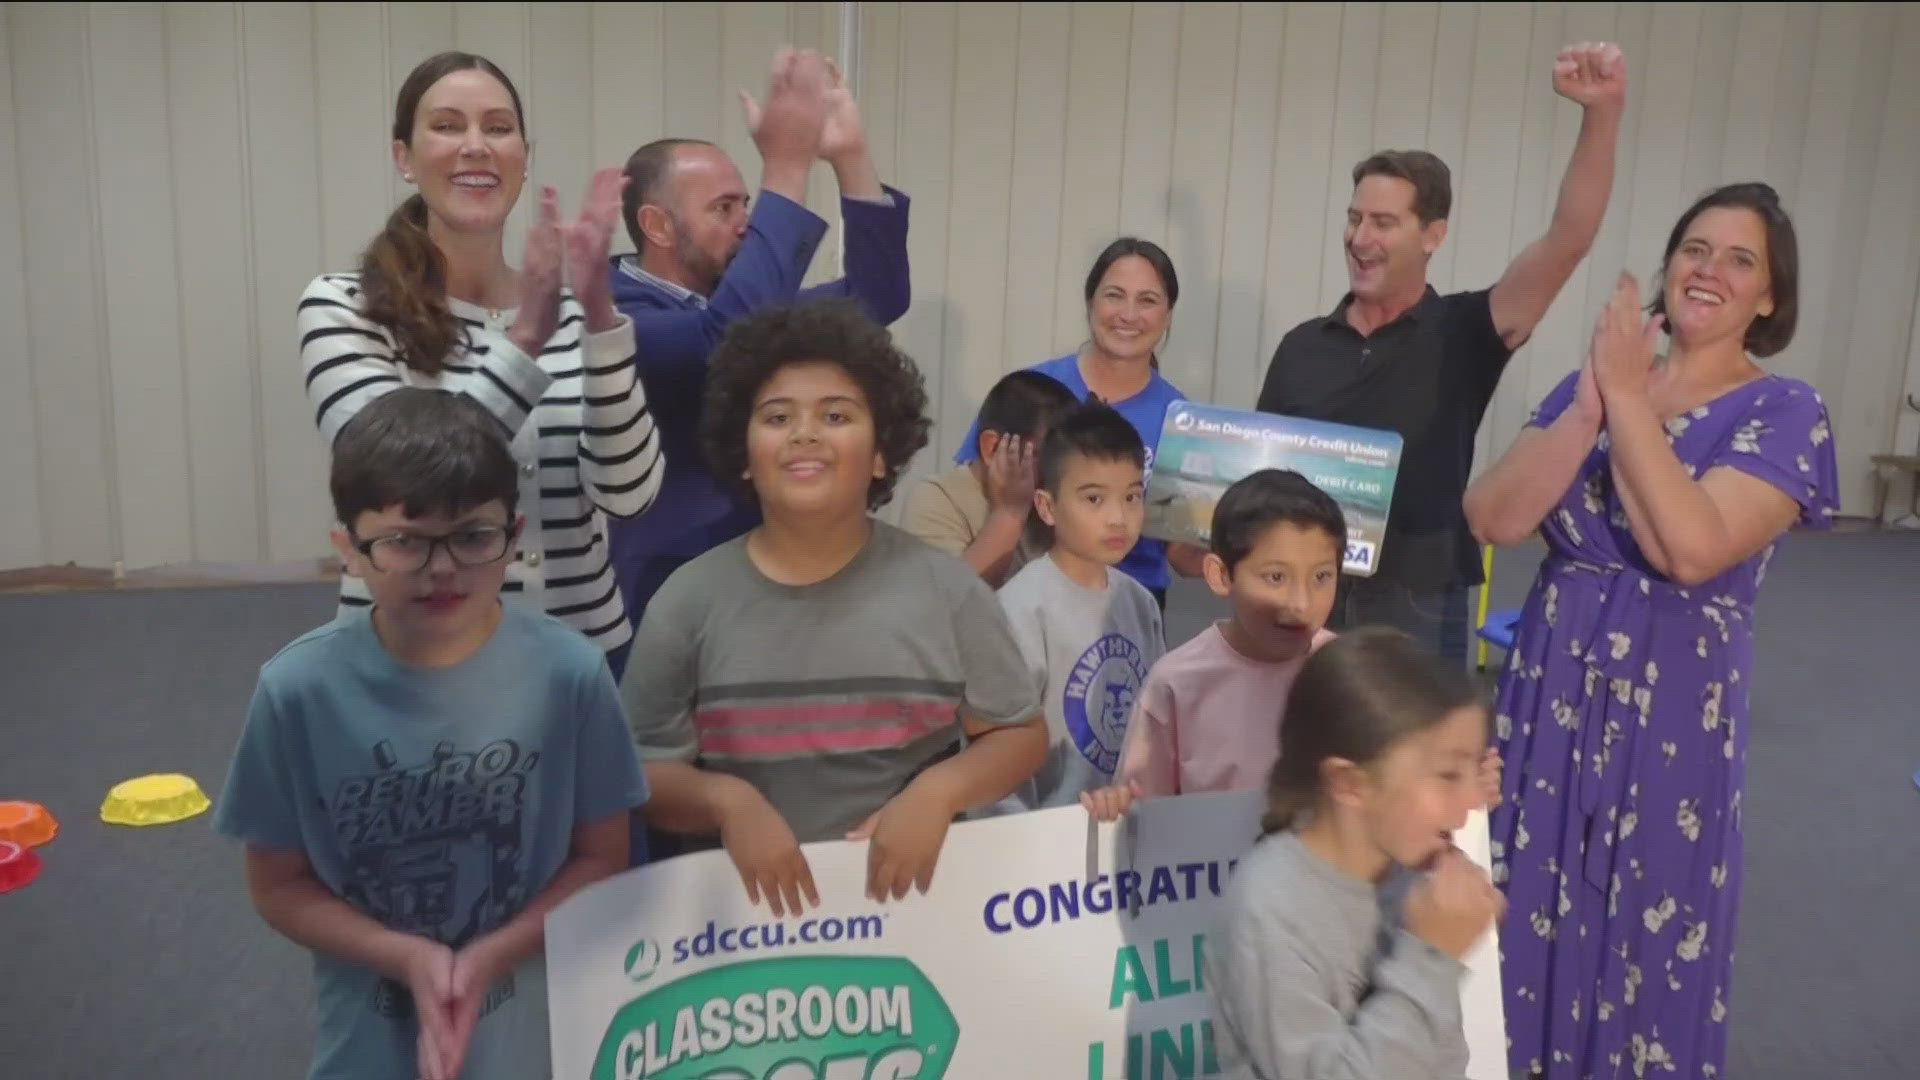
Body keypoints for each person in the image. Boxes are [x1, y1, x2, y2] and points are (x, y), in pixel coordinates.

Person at [1464, 183, 1838, 1079]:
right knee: (1522, 900)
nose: (1710, 270)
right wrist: (1594, 405)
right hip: (1550, 694)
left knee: (1646, 921)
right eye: (1696, 249)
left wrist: (1628, 401)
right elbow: (1495, 515)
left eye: (1740, 260)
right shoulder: (1593, 385)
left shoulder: (1784, 411)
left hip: (1670, 716)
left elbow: (1693, 548)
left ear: (1770, 298)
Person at [213, 388, 646, 1080]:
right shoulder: (296, 691)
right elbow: (277, 885)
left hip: (531, 1031)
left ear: (514, 532)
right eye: (405, 541)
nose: (442, 568)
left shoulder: (572, 676)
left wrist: (492, 953)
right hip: (367, 1036)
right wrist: (406, 956)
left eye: (473, 536)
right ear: (349, 550)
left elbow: (602, 856)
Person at [622, 300, 1046, 914]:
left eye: (837, 414)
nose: (805, 432)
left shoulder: (948, 592)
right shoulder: (688, 602)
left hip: (916, 916)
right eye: (777, 416)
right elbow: (640, 774)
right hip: (739, 932)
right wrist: (728, 804)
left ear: (881, 453)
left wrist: (938, 792)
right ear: (742, 452)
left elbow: (1020, 734)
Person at [1255, 42, 1628, 661]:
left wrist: (1602, 113)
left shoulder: (1465, 332)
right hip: (1299, 588)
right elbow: (1259, 473)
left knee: (1412, 757)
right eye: (1353, 219)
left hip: (1416, 596)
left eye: (1383, 222)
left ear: (1433, 235)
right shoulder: (1301, 347)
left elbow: (1568, 239)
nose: (1359, 238)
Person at [299, 51, 659, 674]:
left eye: (497, 127)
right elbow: (407, 480)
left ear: (523, 156)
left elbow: (628, 495)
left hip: (579, 655)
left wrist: (600, 318)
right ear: (404, 159)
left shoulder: (572, 312)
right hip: (411, 653)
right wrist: (526, 339)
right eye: (446, 126)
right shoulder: (343, 306)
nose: (475, 146)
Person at [607, 51, 911, 627]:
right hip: (665, 591)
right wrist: (787, 168)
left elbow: (879, 297)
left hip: (780, 576)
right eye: (724, 207)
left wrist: (849, 157)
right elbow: (718, 344)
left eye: (747, 201)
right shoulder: (610, 313)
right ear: (658, 226)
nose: (747, 221)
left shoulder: (747, 300)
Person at [1205, 627, 1503, 1079]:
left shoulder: (1408, 868)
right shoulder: (1270, 907)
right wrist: (1431, 957)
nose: (1472, 800)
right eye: (1447, 775)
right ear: (1351, 784)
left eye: (1472, 770)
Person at [1081, 469, 1343, 821]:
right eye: (1276, 577)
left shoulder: (1350, 673)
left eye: (1321, 577)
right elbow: (1142, 809)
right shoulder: (1177, 682)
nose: (1301, 603)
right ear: (1220, 575)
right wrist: (1115, 808)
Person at [953, 238, 1193, 605]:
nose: (1128, 314)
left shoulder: (1179, 417)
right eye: (1114, 295)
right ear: (1090, 302)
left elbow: (1180, 551)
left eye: (1147, 300)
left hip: (1132, 603)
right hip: (1024, 591)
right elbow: (970, 493)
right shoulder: (1032, 390)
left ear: (1169, 315)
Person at [993, 400, 1164, 810]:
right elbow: (994, 756)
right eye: (1093, 500)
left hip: (1126, 831)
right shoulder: (1020, 607)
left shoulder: (1138, 602)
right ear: (1047, 507)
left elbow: (1157, 724)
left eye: (1132, 497)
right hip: (1044, 844)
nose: (1118, 518)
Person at [901, 370, 1079, 587]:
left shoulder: (1053, 499)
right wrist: (1009, 514)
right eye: (1046, 455)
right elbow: (952, 601)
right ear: (992, 448)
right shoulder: (937, 498)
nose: (1058, 470)